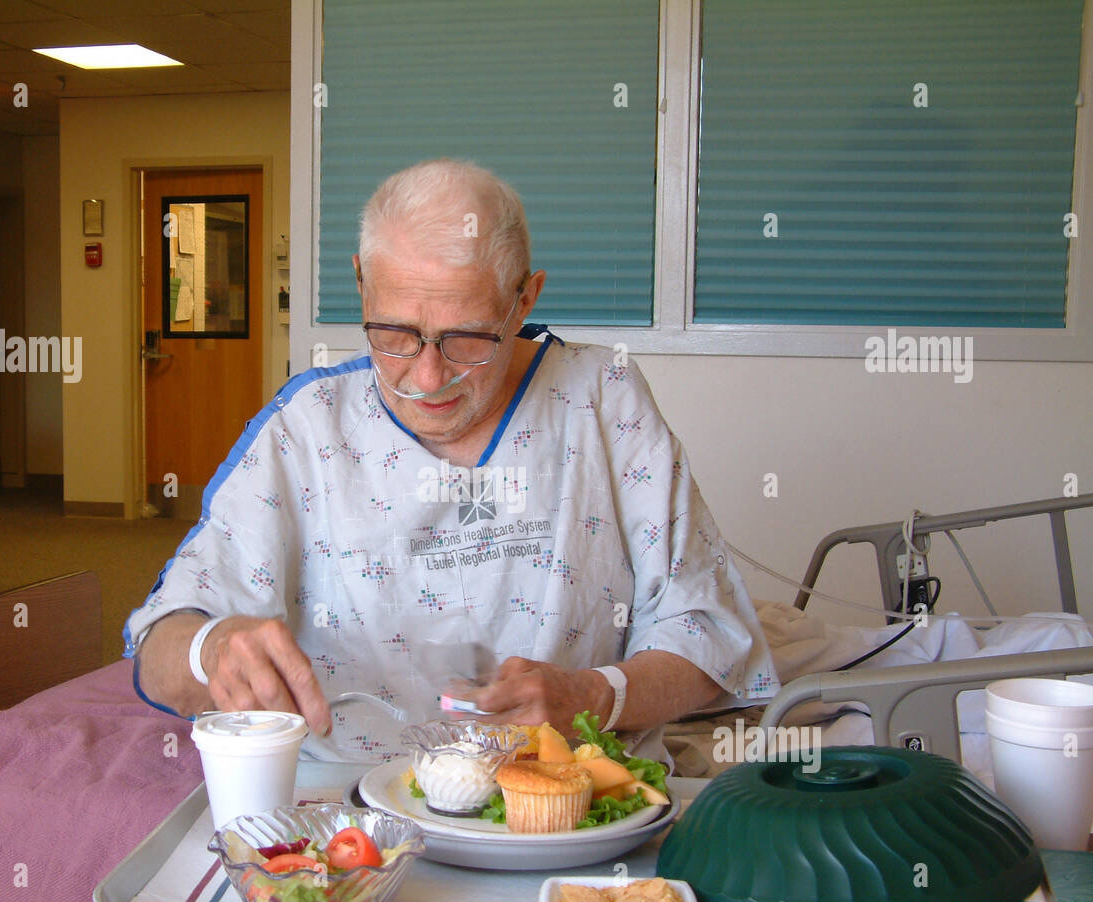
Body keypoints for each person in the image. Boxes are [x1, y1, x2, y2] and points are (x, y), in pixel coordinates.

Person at [126, 158, 779, 759]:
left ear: (525, 299)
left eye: (467, 339)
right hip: (353, 817)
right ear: (361, 283)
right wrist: (211, 648)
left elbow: (711, 633)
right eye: (395, 335)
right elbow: (159, 642)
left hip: (564, 800)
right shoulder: (308, 430)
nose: (428, 376)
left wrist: (592, 696)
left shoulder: (602, 399)